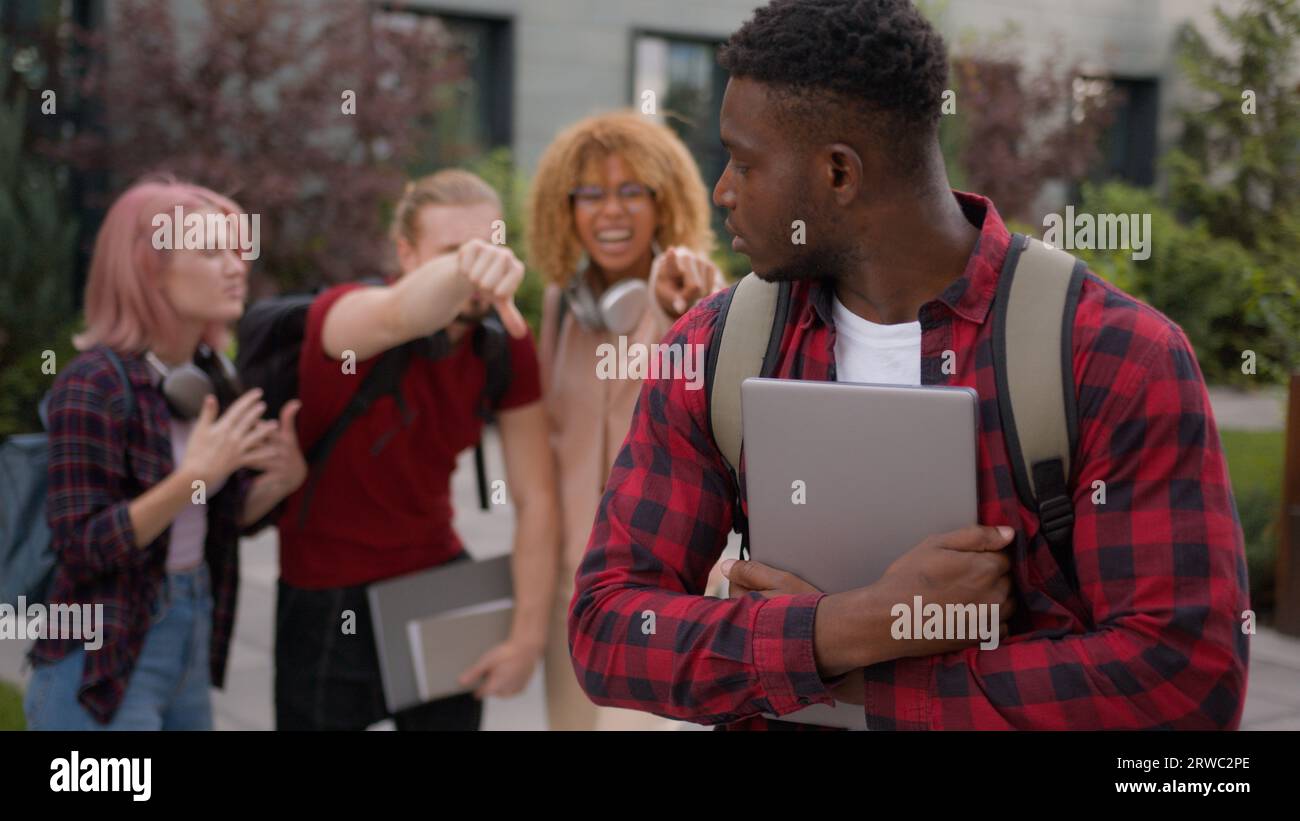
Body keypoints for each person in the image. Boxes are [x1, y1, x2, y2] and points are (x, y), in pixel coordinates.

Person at [568, 0, 1249, 730]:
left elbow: (1185, 679)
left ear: (838, 173)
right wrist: (863, 624)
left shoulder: (1115, 357)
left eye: (744, 160)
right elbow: (606, 629)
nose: (722, 191)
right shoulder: (714, 347)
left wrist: (831, 670)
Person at [273, 169, 558, 731]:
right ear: (406, 253)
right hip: (326, 596)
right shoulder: (350, 314)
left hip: (434, 581)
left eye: (489, 247)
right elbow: (403, 313)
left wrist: (527, 637)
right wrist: (462, 270)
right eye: (454, 251)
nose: (476, 268)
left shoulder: (503, 346)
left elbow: (537, 497)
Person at [25, 177, 306, 730]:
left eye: (236, 249)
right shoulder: (92, 385)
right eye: (210, 251)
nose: (236, 266)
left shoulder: (210, 376)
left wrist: (278, 483)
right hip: (103, 653)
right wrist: (193, 476)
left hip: (189, 627)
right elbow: (82, 546)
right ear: (149, 269)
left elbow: (216, 519)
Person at [528, 110, 728, 730]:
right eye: (589, 193)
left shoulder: (702, 298)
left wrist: (689, 310)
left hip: (663, 597)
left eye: (629, 191)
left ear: (662, 200)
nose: (608, 211)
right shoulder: (563, 306)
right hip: (575, 593)